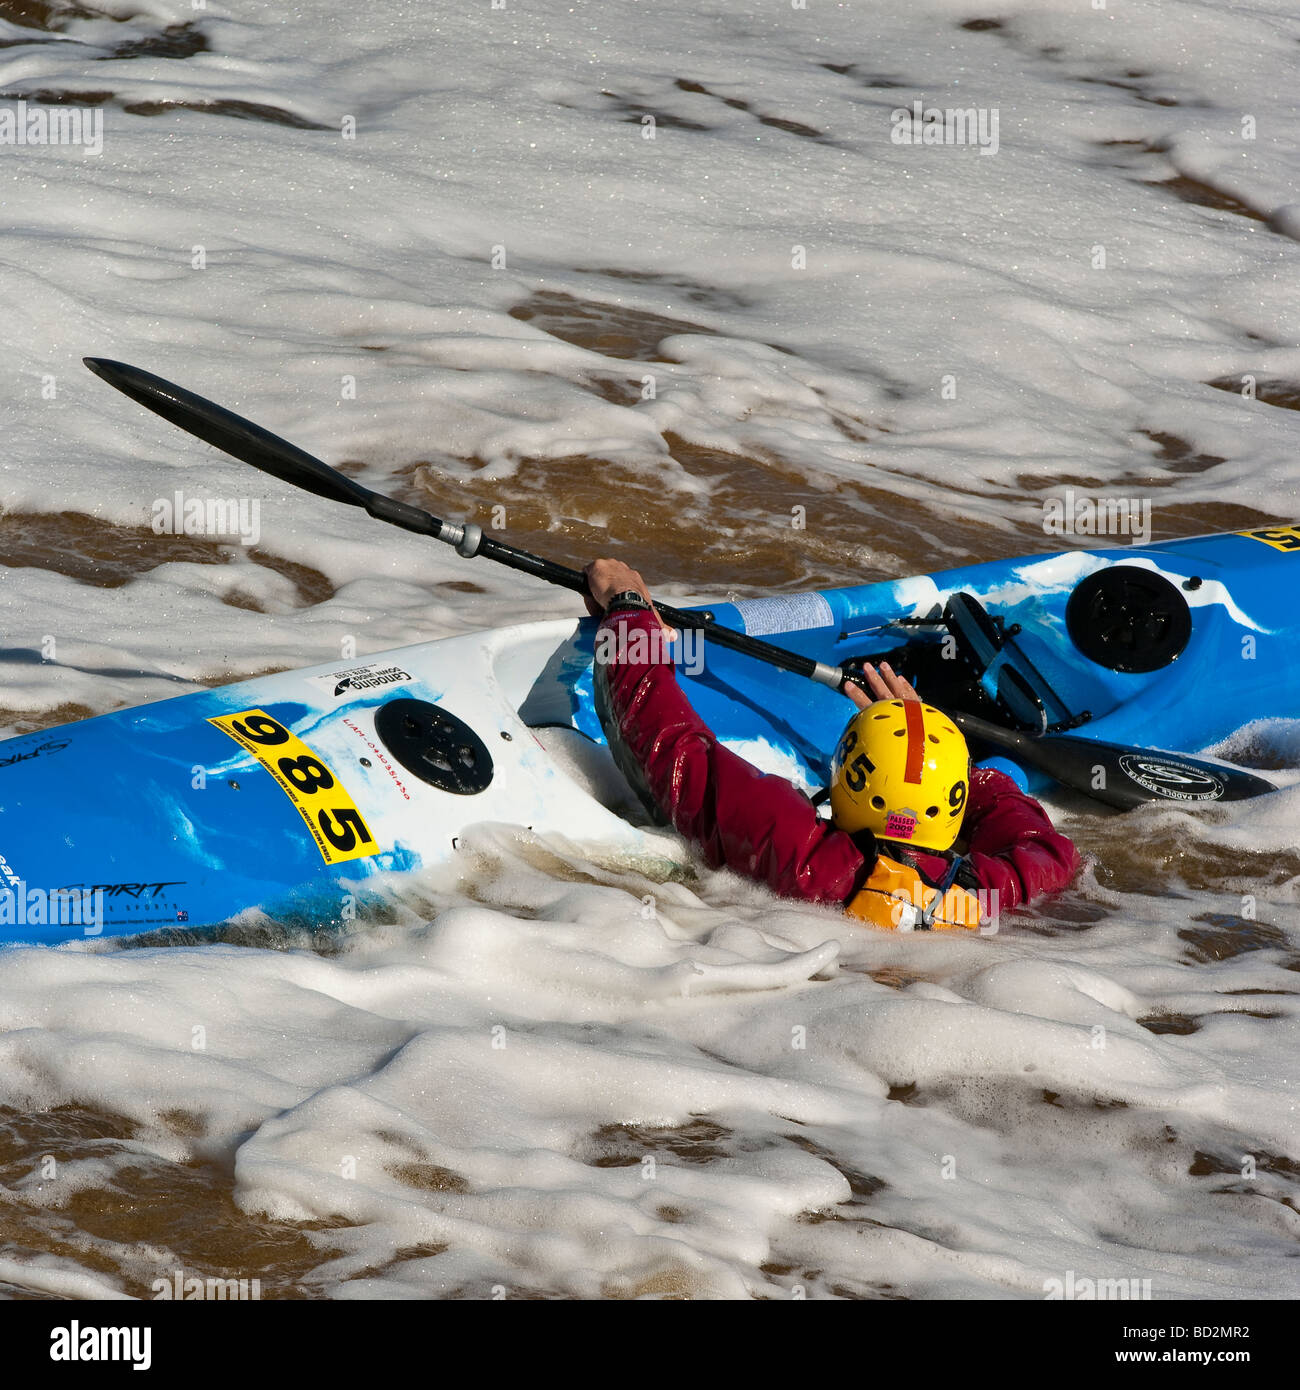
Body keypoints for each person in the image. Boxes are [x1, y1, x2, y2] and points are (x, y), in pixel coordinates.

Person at [583, 558, 1079, 932]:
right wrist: (934, 747)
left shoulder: (802, 855)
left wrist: (628, 611)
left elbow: (670, 745)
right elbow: (1047, 850)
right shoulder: (995, 893)